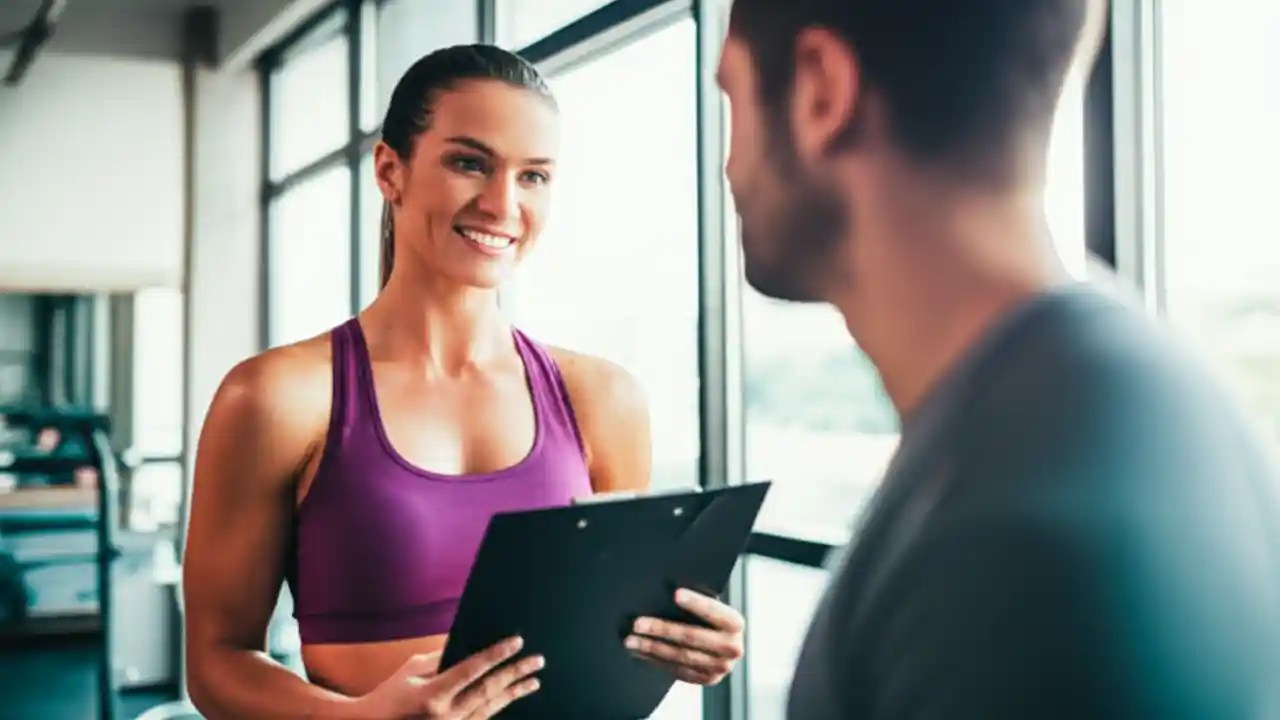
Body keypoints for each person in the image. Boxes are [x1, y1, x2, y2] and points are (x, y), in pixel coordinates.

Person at [717, 0, 1280, 718]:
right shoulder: (1129, 394)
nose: (728, 167)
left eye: (732, 100)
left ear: (822, 89)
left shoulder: (1010, 552)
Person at [183, 45, 745, 719]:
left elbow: (609, 639)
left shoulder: (603, 398)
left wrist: (681, 642)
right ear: (391, 170)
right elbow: (217, 663)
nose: (502, 203)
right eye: (469, 163)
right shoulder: (278, 398)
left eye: (533, 176)